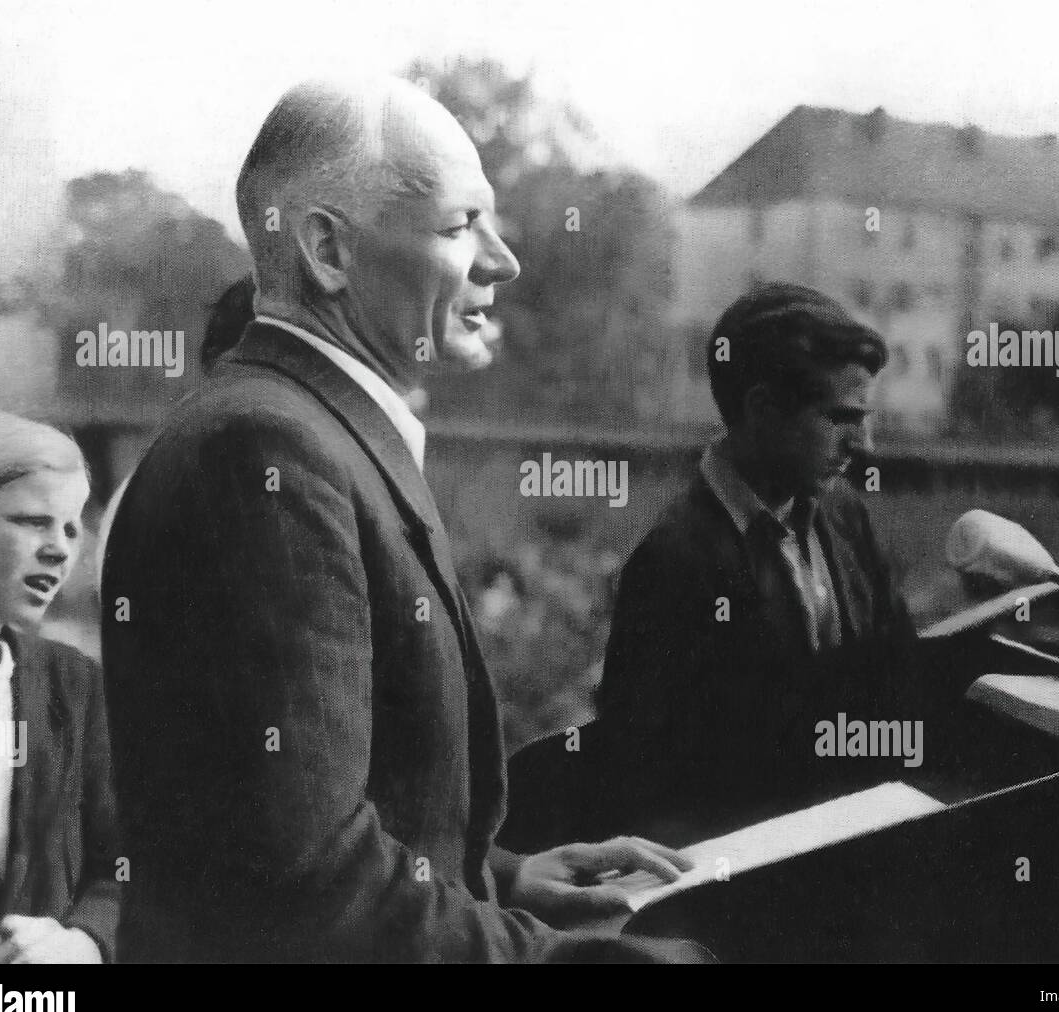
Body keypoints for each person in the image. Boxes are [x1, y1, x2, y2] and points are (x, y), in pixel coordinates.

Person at [101, 77, 702, 963]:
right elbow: (313, 887)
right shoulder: (269, 454)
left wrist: (493, 876)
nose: (504, 262)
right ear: (327, 250)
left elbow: (292, 813)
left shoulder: (308, 431)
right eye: (462, 227)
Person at [595, 284, 920, 832]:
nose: (864, 445)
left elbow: (897, 671)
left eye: (865, 417)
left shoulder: (843, 514)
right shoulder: (674, 562)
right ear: (763, 410)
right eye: (840, 418)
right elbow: (646, 779)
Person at [0, 411, 120, 963]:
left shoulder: (74, 685)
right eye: (33, 521)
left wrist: (83, 942)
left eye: (72, 527)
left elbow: (124, 864)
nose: (60, 549)